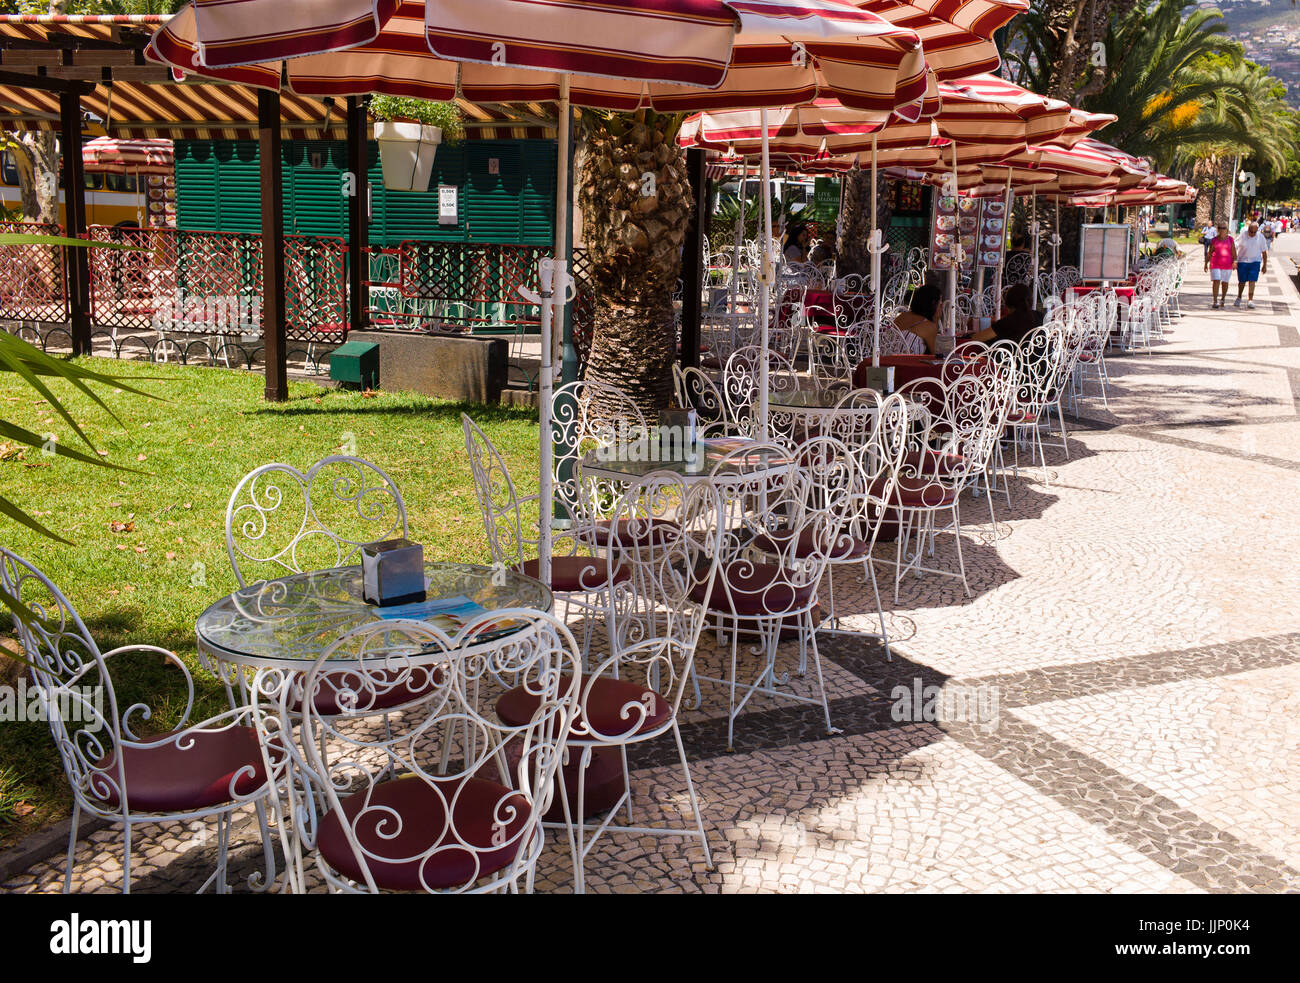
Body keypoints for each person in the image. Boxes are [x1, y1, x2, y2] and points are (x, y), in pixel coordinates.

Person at [969, 282, 1044, 345]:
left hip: (1012, 361)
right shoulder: (1040, 317)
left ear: (1008, 304)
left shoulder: (1008, 322)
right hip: (1042, 361)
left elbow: (976, 338)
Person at [892, 283, 942, 355]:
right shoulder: (928, 326)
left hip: (886, 361)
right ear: (933, 303)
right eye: (940, 304)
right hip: (906, 364)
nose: (942, 307)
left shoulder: (902, 316)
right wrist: (936, 319)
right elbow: (936, 355)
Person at [1234, 220, 1268, 308]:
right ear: (1248, 229)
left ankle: (1250, 300)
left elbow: (1264, 252)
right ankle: (1239, 297)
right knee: (1241, 282)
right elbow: (1234, 247)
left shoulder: (1260, 237)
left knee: (1252, 280)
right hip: (1242, 261)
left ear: (1257, 230)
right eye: (1250, 231)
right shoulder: (1243, 235)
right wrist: (1233, 260)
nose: (1252, 233)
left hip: (1255, 262)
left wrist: (1264, 265)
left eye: (1254, 232)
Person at [1205, 222, 1235, 309]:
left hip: (1227, 264)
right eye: (1220, 228)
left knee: (1225, 283)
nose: (1222, 230)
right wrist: (1206, 263)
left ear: (1227, 230)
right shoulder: (1214, 240)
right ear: (1218, 230)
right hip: (1215, 263)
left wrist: (1235, 261)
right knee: (1216, 281)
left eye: (1224, 228)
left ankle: (1222, 298)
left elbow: (1233, 252)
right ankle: (1215, 301)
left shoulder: (1230, 239)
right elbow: (1210, 253)